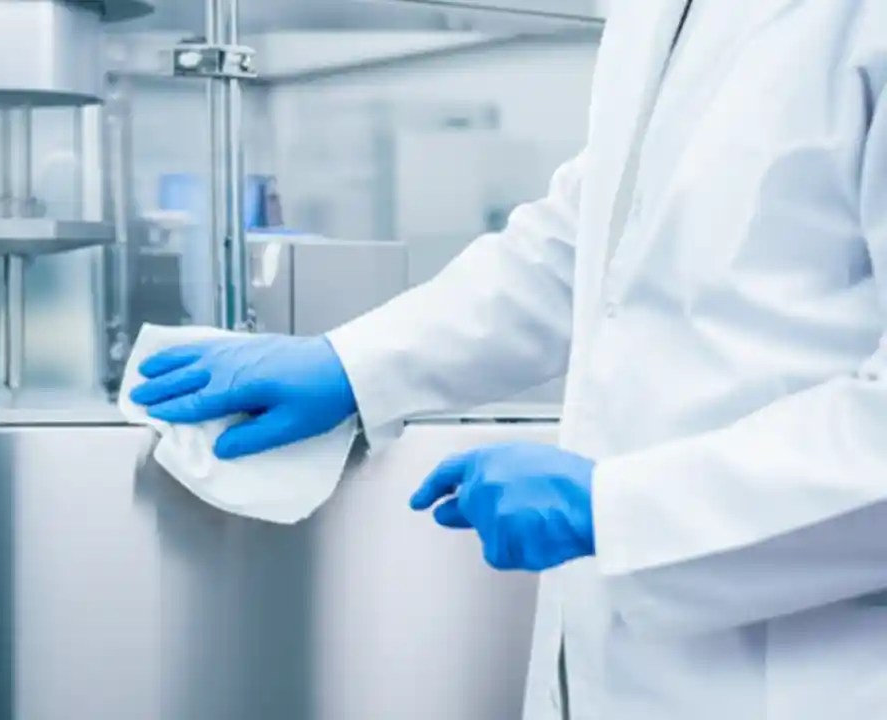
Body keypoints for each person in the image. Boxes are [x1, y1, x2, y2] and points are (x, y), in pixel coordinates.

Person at [132, 2, 887, 719]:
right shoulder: (663, 13)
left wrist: (618, 507)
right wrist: (354, 363)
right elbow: (582, 245)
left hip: (806, 676)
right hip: (613, 670)